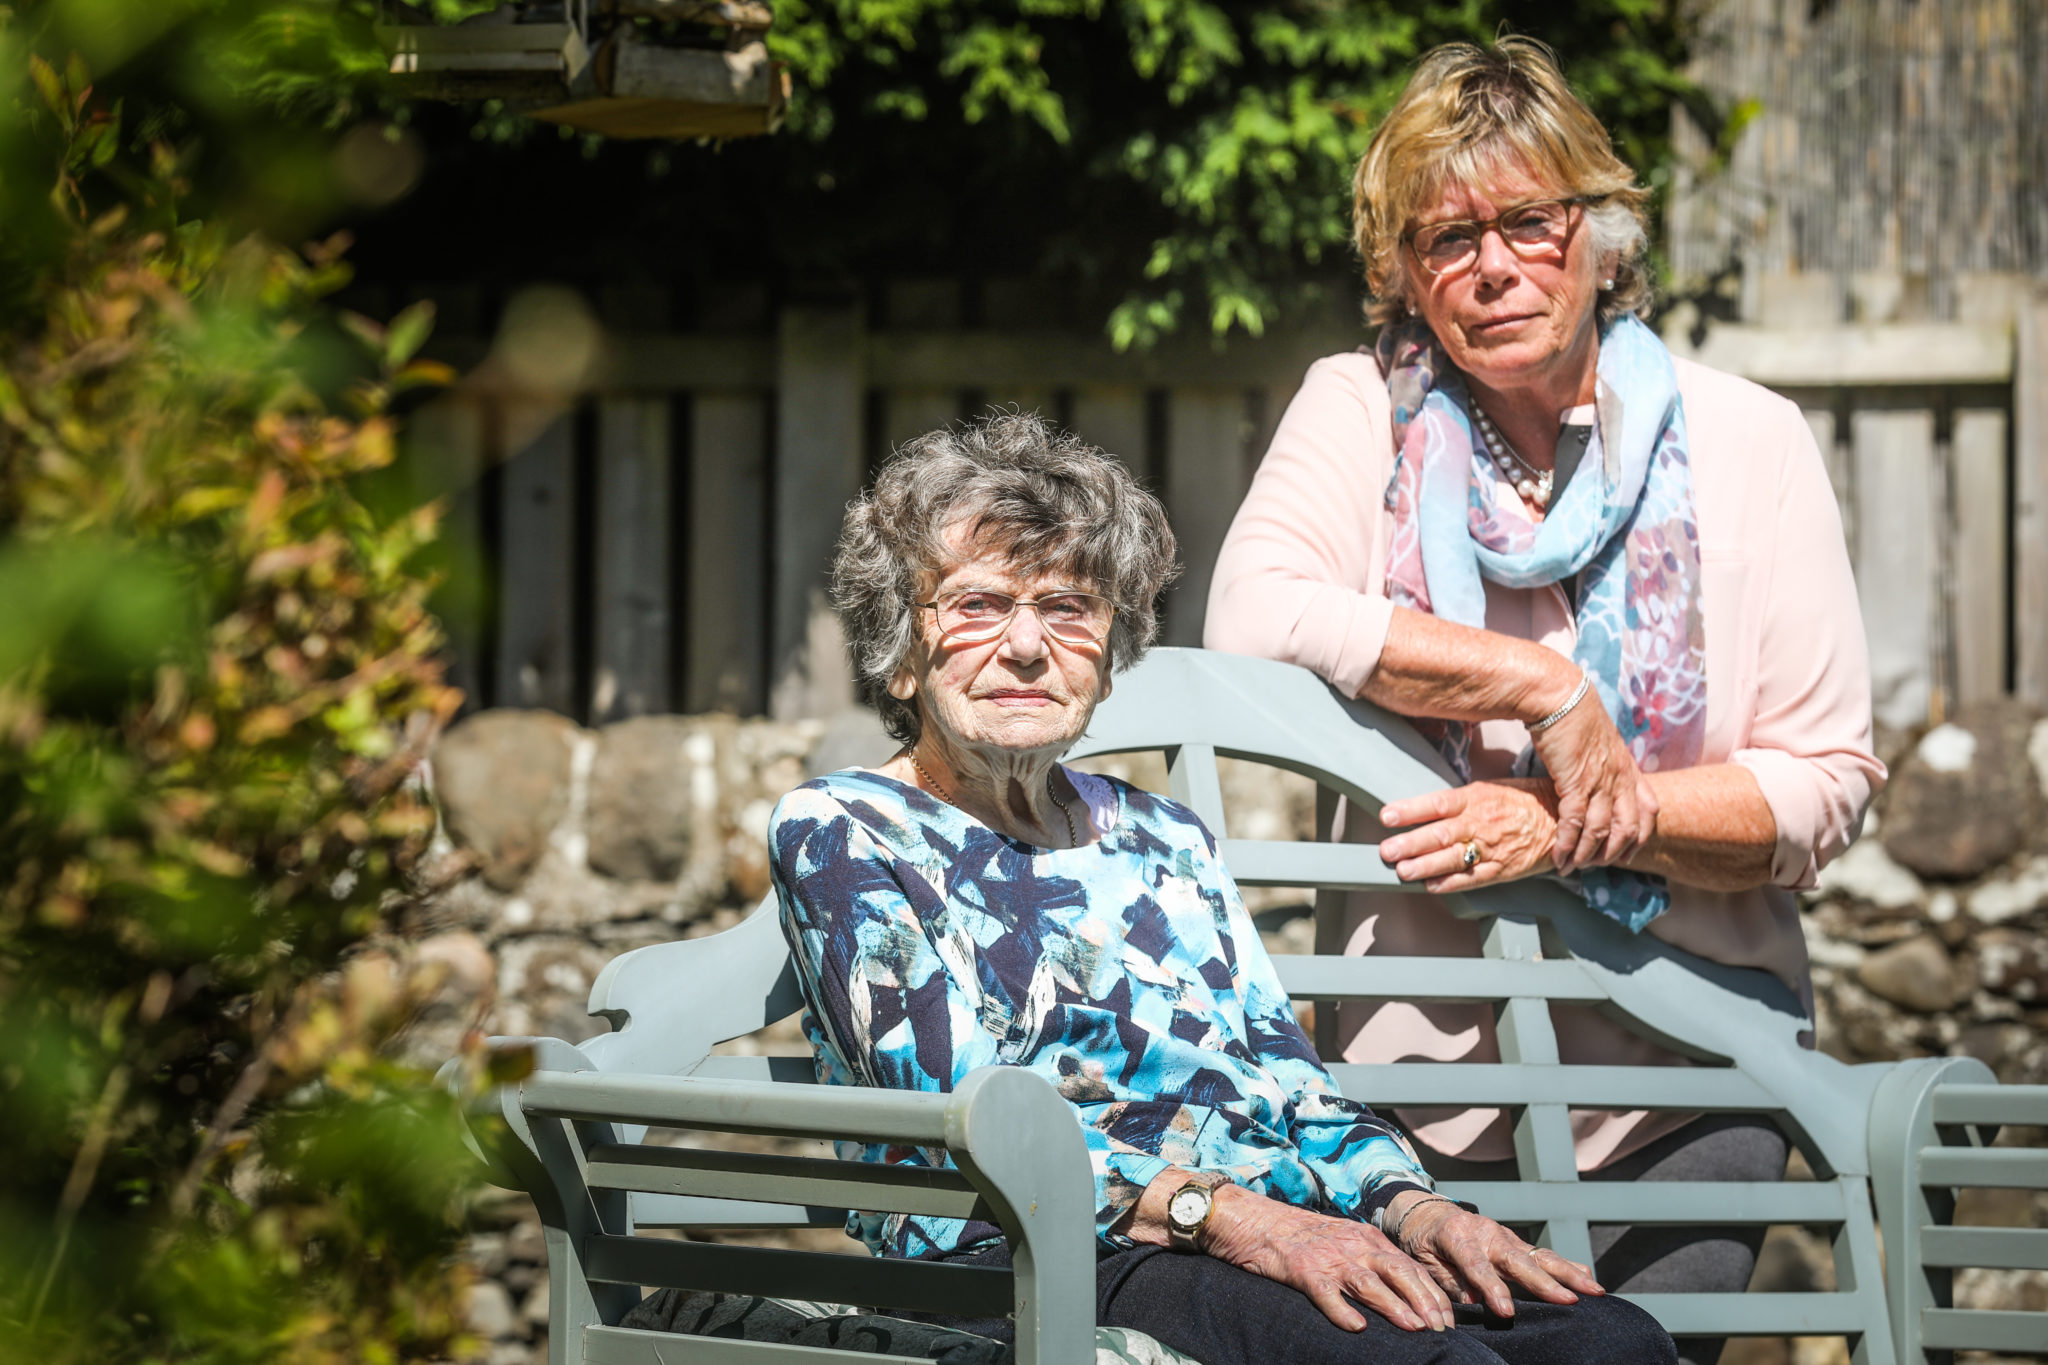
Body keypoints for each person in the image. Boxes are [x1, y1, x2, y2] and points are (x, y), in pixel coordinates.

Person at [1203, 37, 1885, 1364]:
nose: (1495, 263)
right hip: (1407, 1098)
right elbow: (1254, 615)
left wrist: (1573, 821)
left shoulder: (1749, 439)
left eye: (1531, 218)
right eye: (1448, 236)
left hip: (1687, 1065)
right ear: (1402, 270)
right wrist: (1547, 686)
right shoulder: (1362, 413)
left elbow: (1823, 780)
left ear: (1603, 234)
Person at [769, 412, 1677, 1365]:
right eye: (978, 604)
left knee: (1615, 1344)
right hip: (1036, 1258)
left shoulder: (1167, 838)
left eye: (1070, 607)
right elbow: (973, 1125)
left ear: (1109, 655)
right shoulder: (844, 831)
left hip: (1261, 1230)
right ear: (903, 651)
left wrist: (1417, 1209)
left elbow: (1292, 1085)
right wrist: (1236, 1217)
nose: (1030, 644)